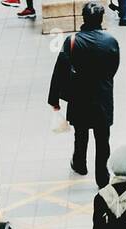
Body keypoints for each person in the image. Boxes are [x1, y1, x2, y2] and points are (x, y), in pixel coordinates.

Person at [48, 3, 120, 188]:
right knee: (103, 139)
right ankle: (102, 176)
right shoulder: (111, 42)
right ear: (101, 18)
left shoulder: (72, 41)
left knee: (81, 134)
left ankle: (80, 164)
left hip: (79, 97)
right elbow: (113, 68)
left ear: (83, 18)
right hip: (103, 97)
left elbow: (60, 70)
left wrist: (54, 100)